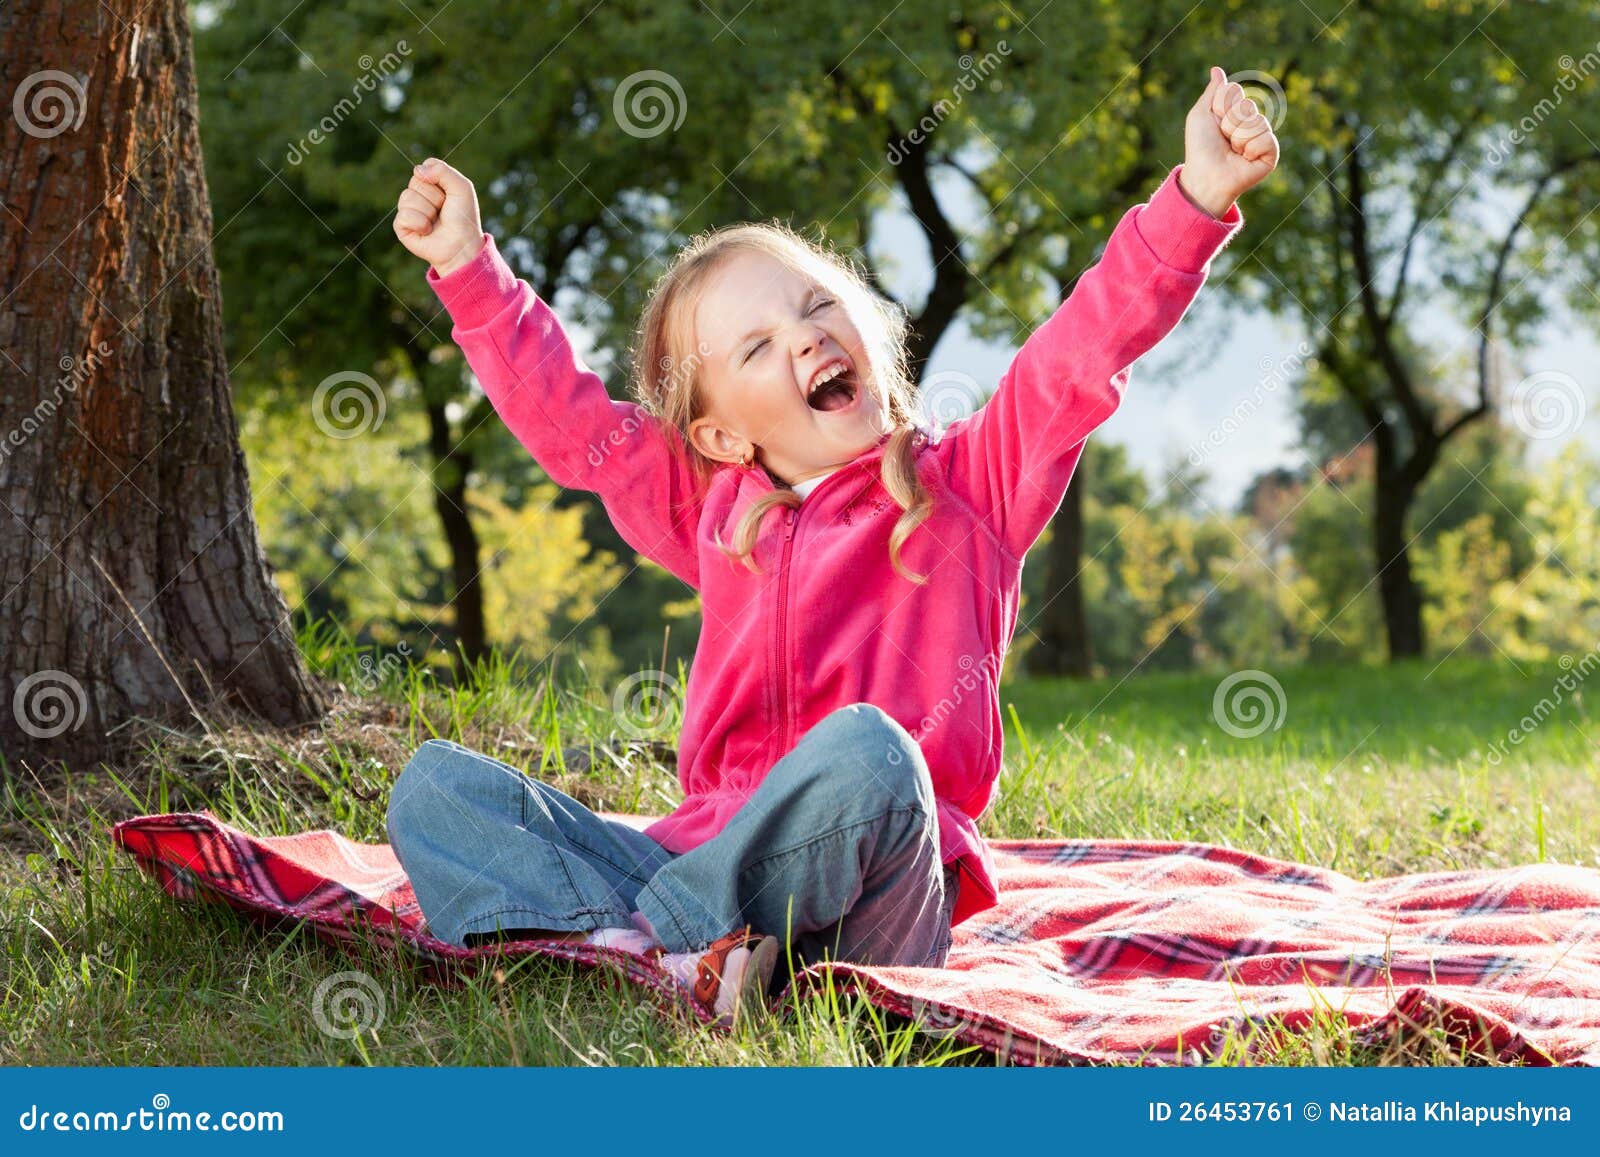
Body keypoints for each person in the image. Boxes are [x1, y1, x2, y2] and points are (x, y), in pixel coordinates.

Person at [385, 65, 1277, 1029]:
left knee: (870, 751)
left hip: (871, 907)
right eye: (757, 348)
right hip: (692, 862)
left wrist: (1191, 202)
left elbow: (1080, 353)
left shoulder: (968, 486)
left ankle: (648, 944)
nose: (804, 340)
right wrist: (471, 268)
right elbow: (570, 419)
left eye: (814, 308)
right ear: (722, 434)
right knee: (436, 786)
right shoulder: (713, 512)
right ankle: (665, 953)